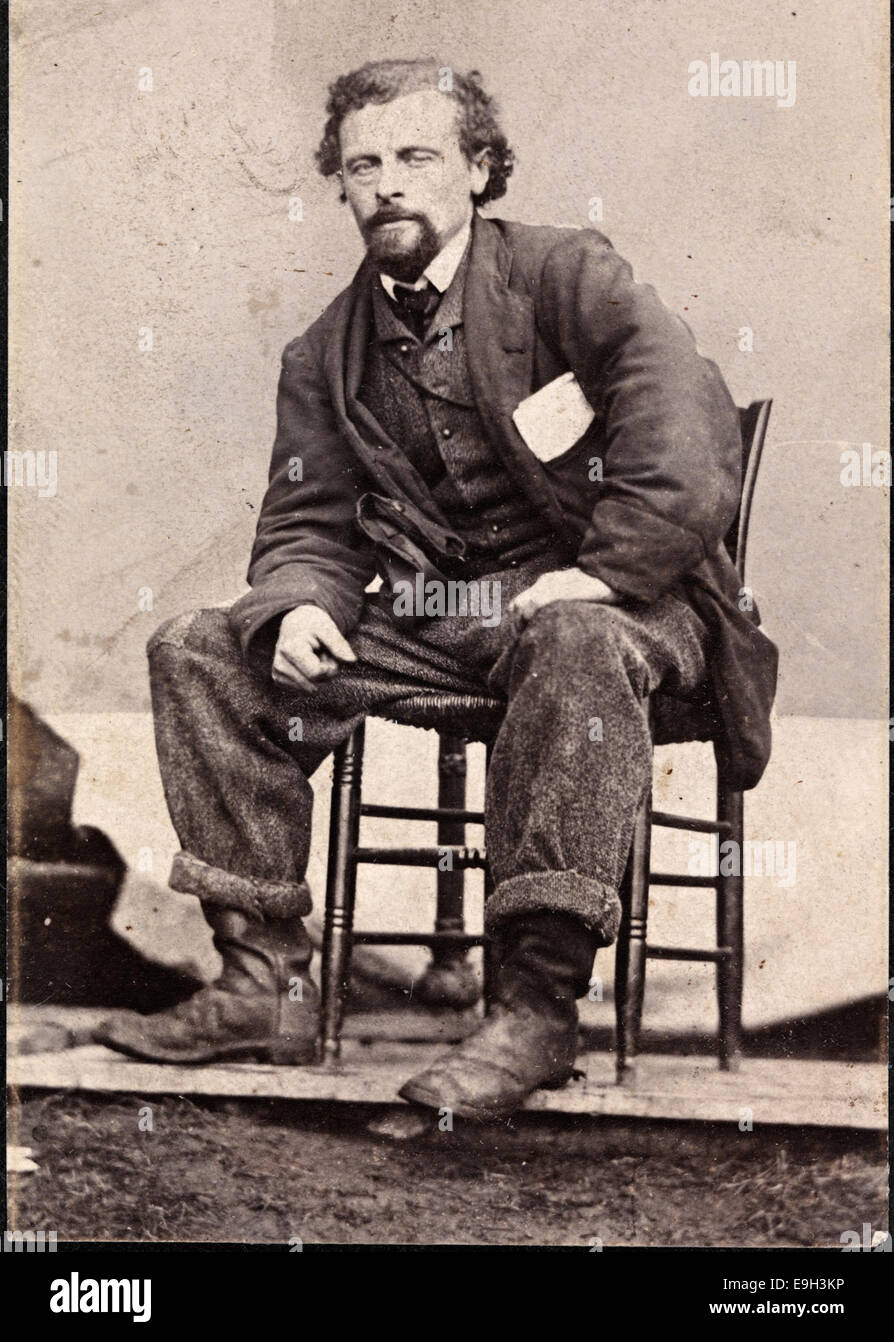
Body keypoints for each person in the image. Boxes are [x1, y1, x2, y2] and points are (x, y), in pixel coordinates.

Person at [96, 58, 777, 1121]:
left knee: (578, 641)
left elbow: (684, 437)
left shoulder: (568, 276)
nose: (387, 184)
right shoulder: (326, 350)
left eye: (416, 155)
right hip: (441, 616)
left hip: (637, 601)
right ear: (341, 186)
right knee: (198, 644)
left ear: (478, 168)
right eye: (362, 164)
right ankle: (255, 979)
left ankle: (537, 1011)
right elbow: (306, 521)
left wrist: (597, 573)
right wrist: (301, 601)